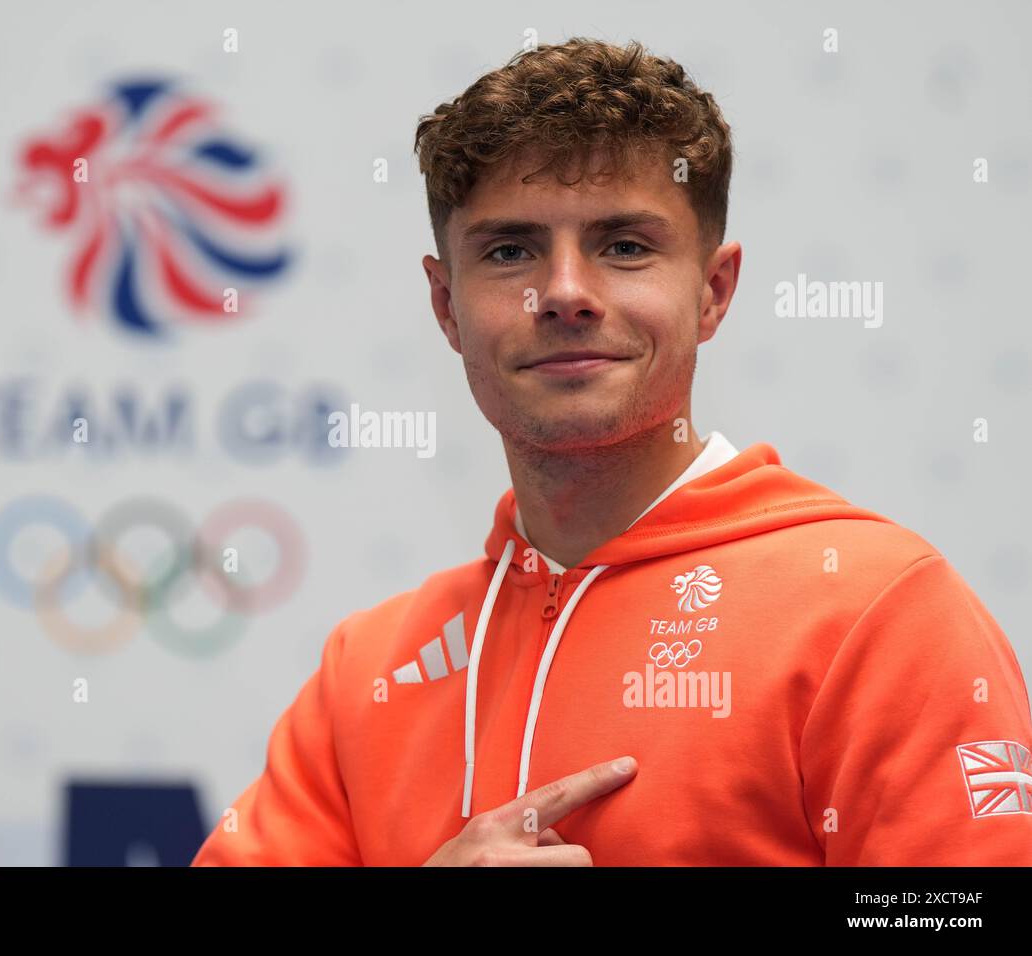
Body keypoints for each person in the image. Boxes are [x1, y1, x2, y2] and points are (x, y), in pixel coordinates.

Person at [191, 37, 1032, 866]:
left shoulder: (877, 611)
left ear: (713, 291)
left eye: (624, 246)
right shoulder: (370, 668)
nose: (564, 293)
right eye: (510, 250)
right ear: (446, 307)